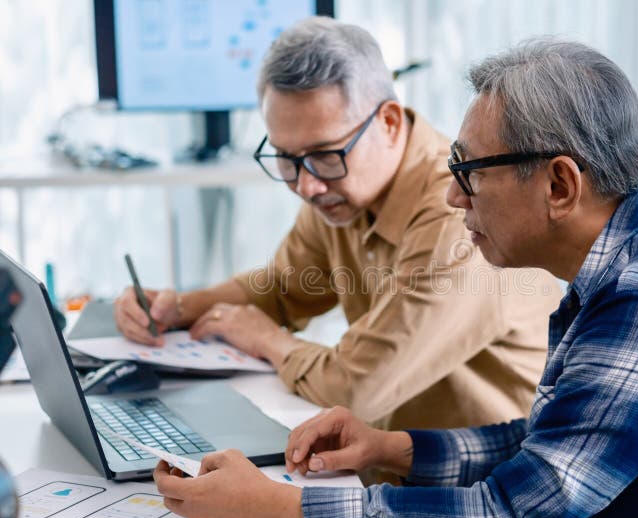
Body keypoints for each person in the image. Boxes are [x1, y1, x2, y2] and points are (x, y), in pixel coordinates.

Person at [153, 39, 638, 518]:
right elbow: (548, 440)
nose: (452, 192)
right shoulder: (633, 252)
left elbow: (509, 516)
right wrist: (396, 447)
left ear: (559, 185)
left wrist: (281, 510)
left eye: (471, 170)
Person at [113, 16, 561, 432]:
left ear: (387, 122)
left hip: (476, 488)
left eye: (325, 155)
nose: (305, 186)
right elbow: (283, 289)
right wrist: (179, 308)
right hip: (384, 464)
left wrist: (268, 340)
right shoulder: (336, 189)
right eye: (286, 159)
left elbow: (355, 390)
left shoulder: (459, 212)